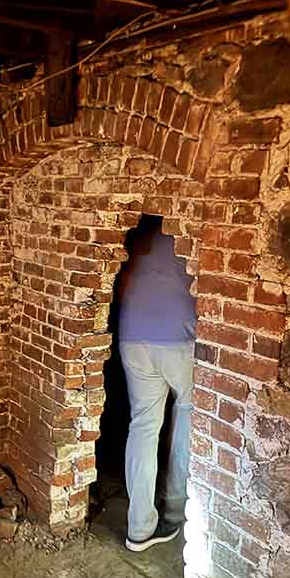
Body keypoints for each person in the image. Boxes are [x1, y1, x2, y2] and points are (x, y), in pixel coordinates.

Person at [116, 215, 196, 552]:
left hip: (133, 337)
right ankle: (175, 510)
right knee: (186, 416)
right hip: (178, 339)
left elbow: (120, 288)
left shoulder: (135, 236)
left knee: (144, 427)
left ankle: (139, 526)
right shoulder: (189, 234)